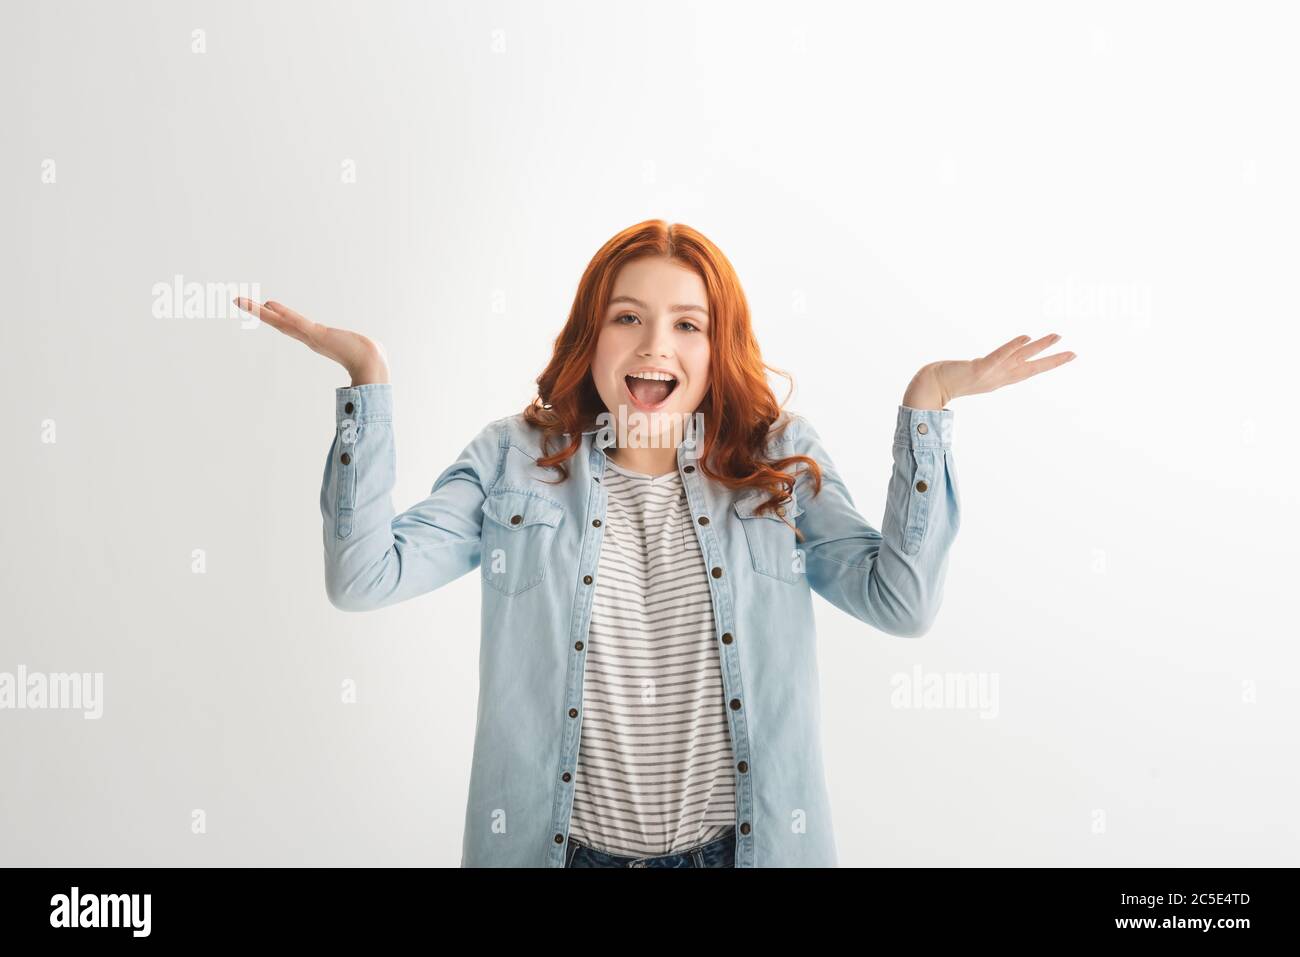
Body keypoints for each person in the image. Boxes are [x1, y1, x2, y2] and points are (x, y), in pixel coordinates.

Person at [234, 219, 1075, 868]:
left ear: (718, 349)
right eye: (626, 317)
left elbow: (902, 602)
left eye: (687, 325)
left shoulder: (778, 460)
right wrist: (367, 383)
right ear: (589, 336)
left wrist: (926, 407)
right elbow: (364, 577)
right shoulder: (512, 457)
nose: (653, 346)